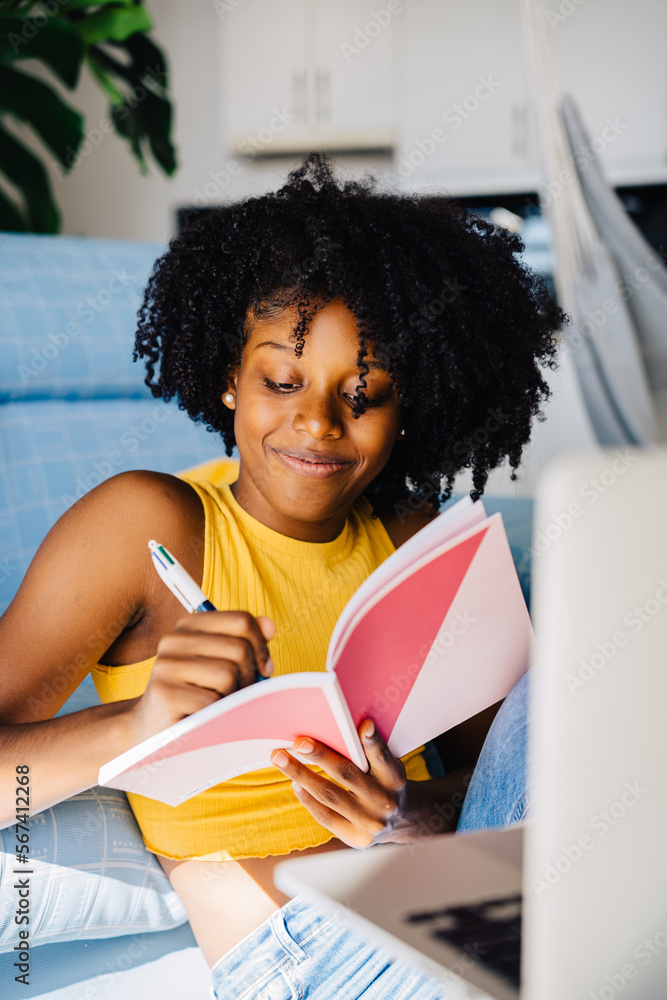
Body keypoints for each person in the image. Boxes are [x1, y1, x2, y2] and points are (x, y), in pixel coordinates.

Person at [0, 154, 563, 999]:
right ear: (231, 378)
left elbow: (510, 782)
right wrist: (137, 725)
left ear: (408, 406)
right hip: (301, 951)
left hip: (449, 894)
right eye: (281, 380)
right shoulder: (151, 525)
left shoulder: (418, 539)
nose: (316, 423)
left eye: (362, 394)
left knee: (566, 708)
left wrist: (406, 813)